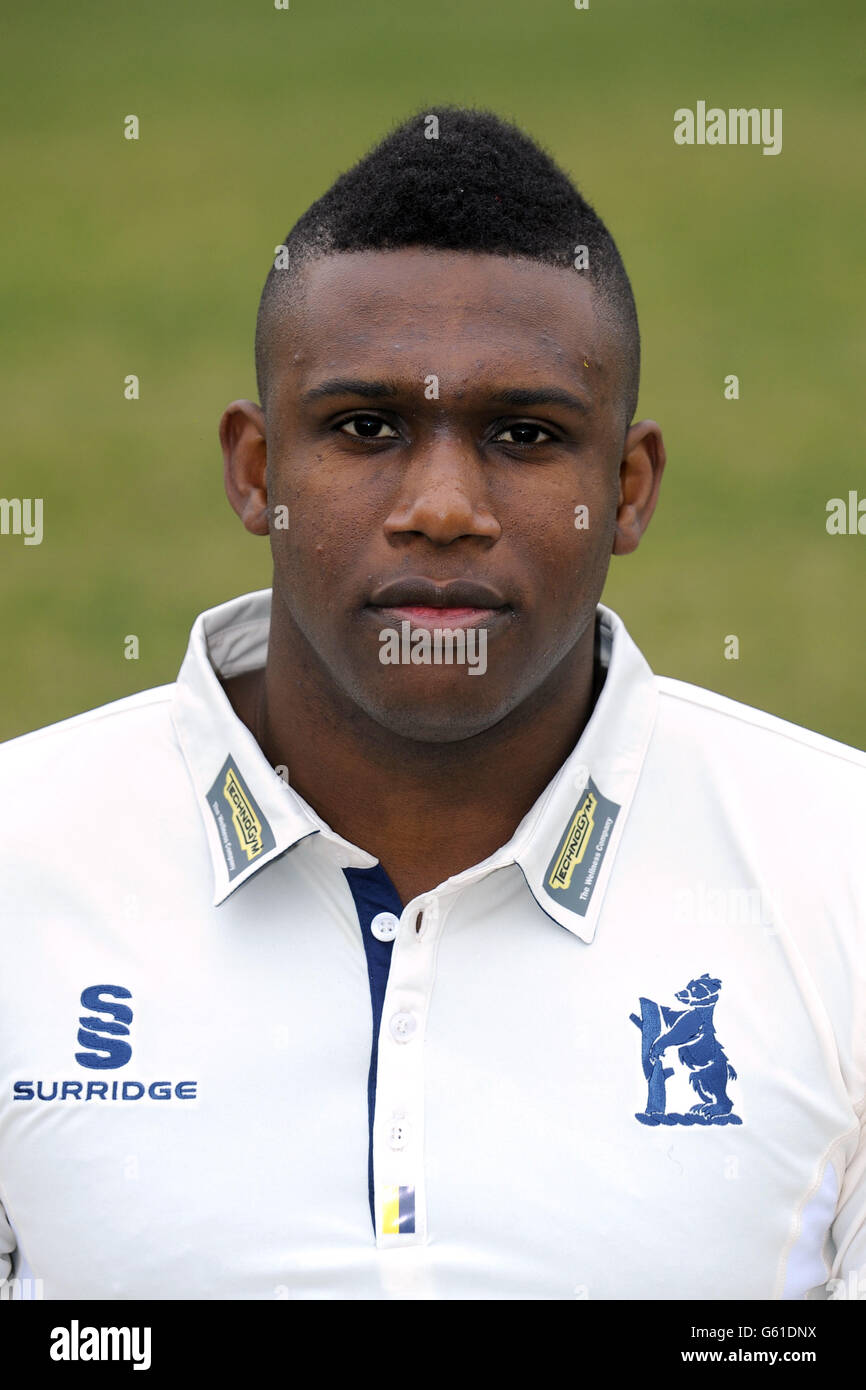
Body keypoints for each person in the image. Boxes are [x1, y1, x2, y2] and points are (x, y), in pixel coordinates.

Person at [0, 107, 863, 1302]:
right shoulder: (20, 860)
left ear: (626, 486)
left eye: (523, 433)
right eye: (366, 427)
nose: (444, 506)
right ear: (257, 471)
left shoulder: (840, 871)